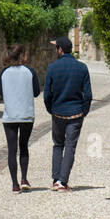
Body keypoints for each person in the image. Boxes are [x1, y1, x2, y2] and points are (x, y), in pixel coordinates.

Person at [43, 35, 92, 191]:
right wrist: (84, 111)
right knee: (70, 147)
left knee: (58, 145)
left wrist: (51, 108)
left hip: (58, 113)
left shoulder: (52, 68)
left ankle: (56, 178)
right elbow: (88, 95)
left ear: (60, 49)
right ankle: (63, 182)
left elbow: (46, 94)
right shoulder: (82, 68)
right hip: (76, 114)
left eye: (56, 47)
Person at [0, 44, 40, 193]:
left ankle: (14, 184)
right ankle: (24, 179)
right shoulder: (30, 72)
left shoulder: (4, 73)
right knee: (24, 147)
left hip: (10, 116)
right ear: (22, 55)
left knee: (11, 150)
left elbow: (0, 91)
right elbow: (36, 92)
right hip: (26, 115)